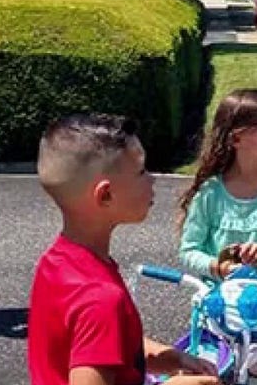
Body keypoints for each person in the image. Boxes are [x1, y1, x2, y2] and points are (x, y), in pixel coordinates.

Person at [28, 113, 219, 385]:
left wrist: (171, 358)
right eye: (141, 172)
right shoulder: (101, 299)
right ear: (104, 195)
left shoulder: (55, 263)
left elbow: (102, 343)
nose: (152, 180)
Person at [177, 88, 257, 378]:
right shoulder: (210, 193)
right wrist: (217, 266)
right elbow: (189, 249)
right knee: (213, 374)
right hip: (216, 309)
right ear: (236, 138)